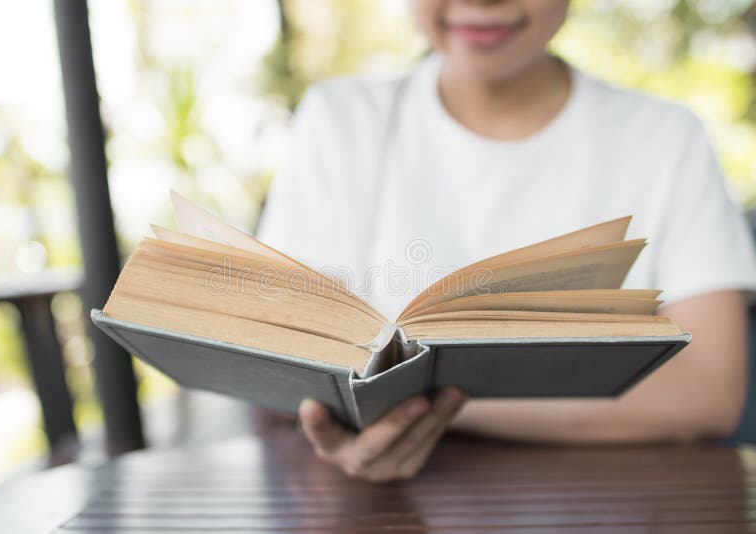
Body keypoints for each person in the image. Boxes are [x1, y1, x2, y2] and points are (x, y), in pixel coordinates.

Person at [257, 0, 756, 482]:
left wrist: (398, 401)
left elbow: (709, 391)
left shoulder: (666, 139)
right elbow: (271, 361)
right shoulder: (340, 121)